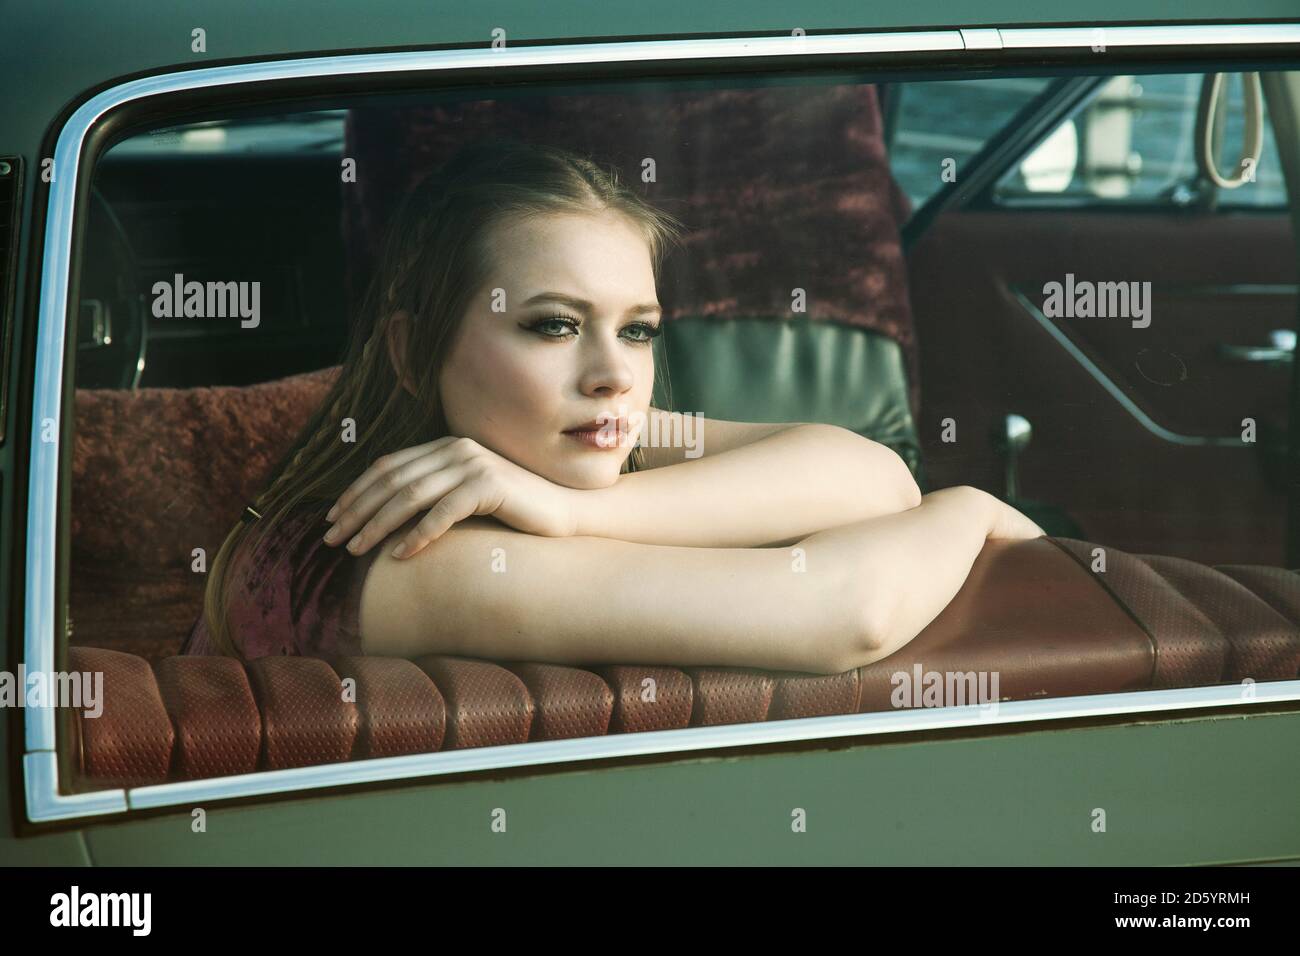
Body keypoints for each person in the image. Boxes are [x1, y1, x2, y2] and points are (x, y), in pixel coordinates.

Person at [185, 138, 1043, 673]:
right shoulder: (418, 558)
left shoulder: (553, 444)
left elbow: (876, 480)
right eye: (554, 326)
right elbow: (847, 614)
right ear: (413, 353)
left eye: (637, 331)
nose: (613, 376)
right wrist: (969, 510)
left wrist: (570, 510)